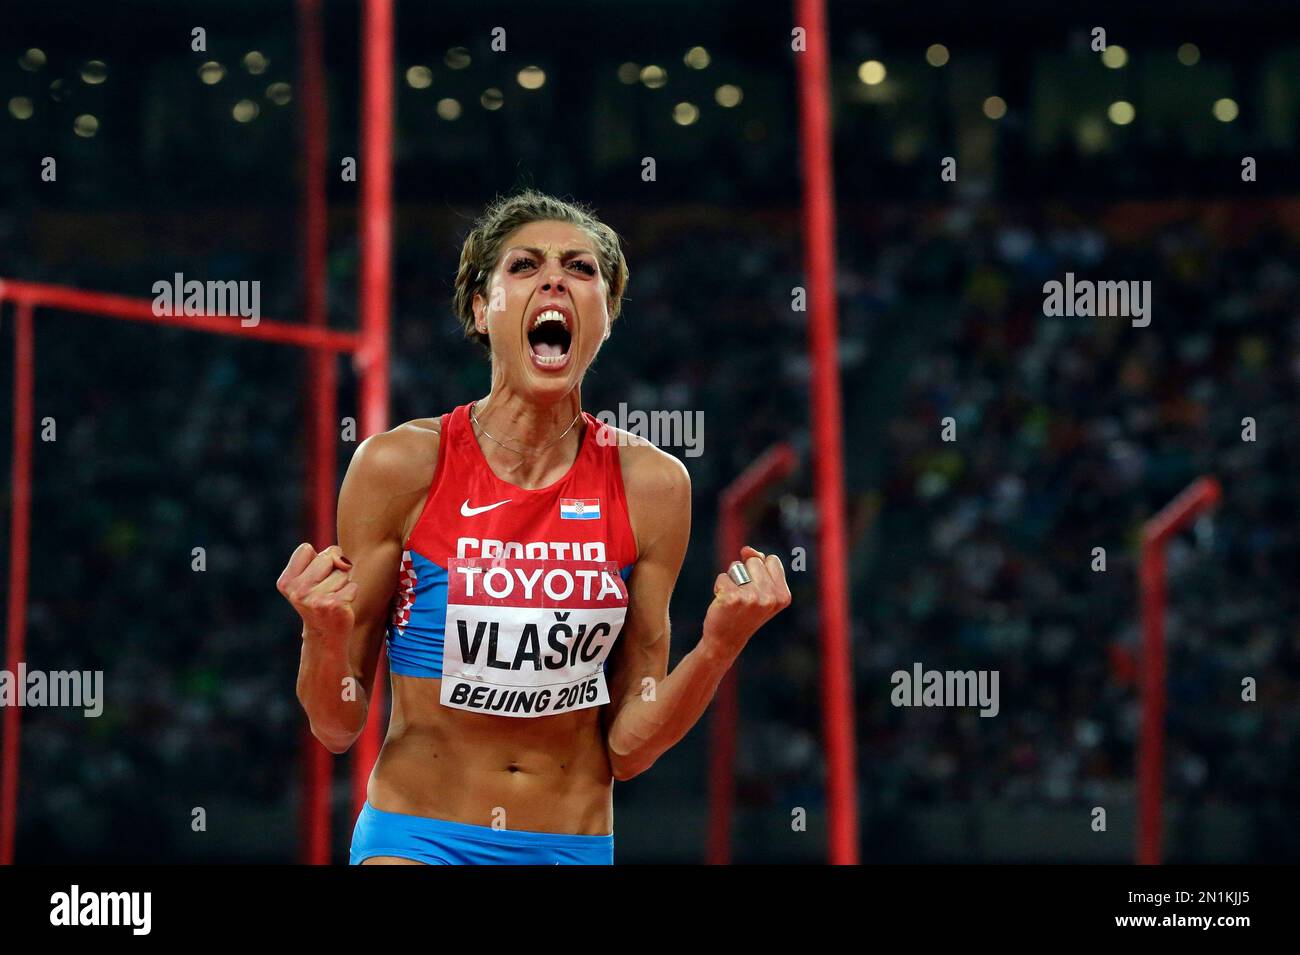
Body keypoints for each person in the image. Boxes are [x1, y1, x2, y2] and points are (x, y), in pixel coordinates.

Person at [277, 189, 791, 864]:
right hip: (419, 836)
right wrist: (322, 634)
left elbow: (630, 748)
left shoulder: (654, 486)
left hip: (569, 843)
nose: (555, 278)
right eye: (525, 266)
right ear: (480, 309)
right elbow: (338, 722)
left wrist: (718, 647)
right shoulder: (401, 465)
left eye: (581, 269)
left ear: (605, 316)